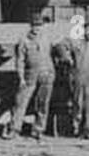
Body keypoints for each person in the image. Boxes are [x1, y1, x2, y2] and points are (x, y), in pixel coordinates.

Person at [8, 12, 55, 140]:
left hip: (46, 74)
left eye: (39, 25)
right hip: (30, 75)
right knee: (20, 102)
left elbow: (55, 52)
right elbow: (20, 60)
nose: (37, 28)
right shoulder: (24, 40)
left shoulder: (48, 39)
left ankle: (38, 130)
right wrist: (21, 77)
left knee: (42, 103)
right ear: (31, 26)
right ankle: (14, 129)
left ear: (43, 26)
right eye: (35, 25)